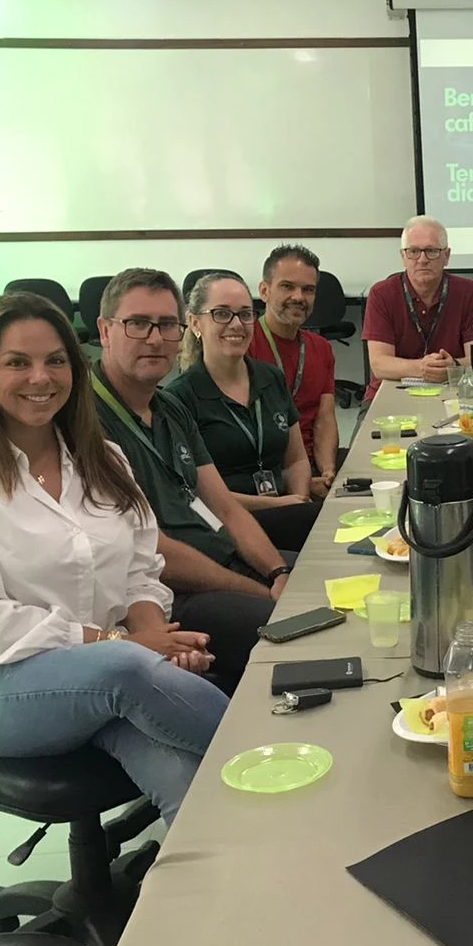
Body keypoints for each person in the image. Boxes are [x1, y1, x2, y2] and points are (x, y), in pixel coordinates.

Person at [0, 293, 227, 825]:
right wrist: (127, 646)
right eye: (17, 363)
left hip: (105, 682)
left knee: (195, 786)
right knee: (126, 672)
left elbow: (140, 572)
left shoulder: (104, 461)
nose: (40, 377)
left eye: (55, 361)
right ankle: (278, 750)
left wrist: (153, 635)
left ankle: (219, 873)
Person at [93, 267, 297, 692]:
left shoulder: (170, 408)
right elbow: (152, 549)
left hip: (225, 562)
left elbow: (224, 508)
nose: (155, 338)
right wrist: (260, 591)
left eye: (166, 325)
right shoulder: (87, 423)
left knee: (330, 586)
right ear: (105, 331)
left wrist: (277, 571)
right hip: (171, 594)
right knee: (295, 629)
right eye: (138, 324)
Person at [168, 271, 321, 553]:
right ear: (195, 323)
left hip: (287, 511)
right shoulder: (179, 398)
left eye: (245, 314)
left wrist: (298, 500)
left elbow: (296, 459)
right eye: (222, 314)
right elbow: (195, 495)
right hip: (228, 524)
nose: (236, 324)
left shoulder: (270, 378)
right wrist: (279, 506)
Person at [248, 244, 339, 499]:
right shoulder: (245, 345)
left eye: (308, 289)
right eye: (287, 286)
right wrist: (298, 483)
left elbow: (324, 418)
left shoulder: (321, 348)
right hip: (266, 476)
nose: (298, 297)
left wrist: (328, 471)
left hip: (312, 467)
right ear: (264, 291)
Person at [362, 216, 473, 401]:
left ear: (446, 256)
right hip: (392, 391)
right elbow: (380, 365)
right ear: (403, 257)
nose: (422, 259)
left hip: (452, 391)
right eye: (413, 251)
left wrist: (454, 367)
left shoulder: (468, 292)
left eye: (431, 251)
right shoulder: (381, 294)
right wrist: (423, 368)